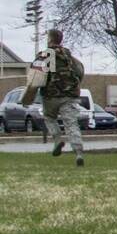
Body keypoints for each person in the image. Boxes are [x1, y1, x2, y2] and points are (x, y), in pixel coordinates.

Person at [35, 29, 85, 166]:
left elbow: (35, 77)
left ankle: (57, 140)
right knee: (71, 124)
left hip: (51, 95)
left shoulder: (45, 54)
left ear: (50, 39)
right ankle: (79, 152)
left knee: (49, 118)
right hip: (70, 95)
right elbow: (80, 71)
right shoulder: (69, 56)